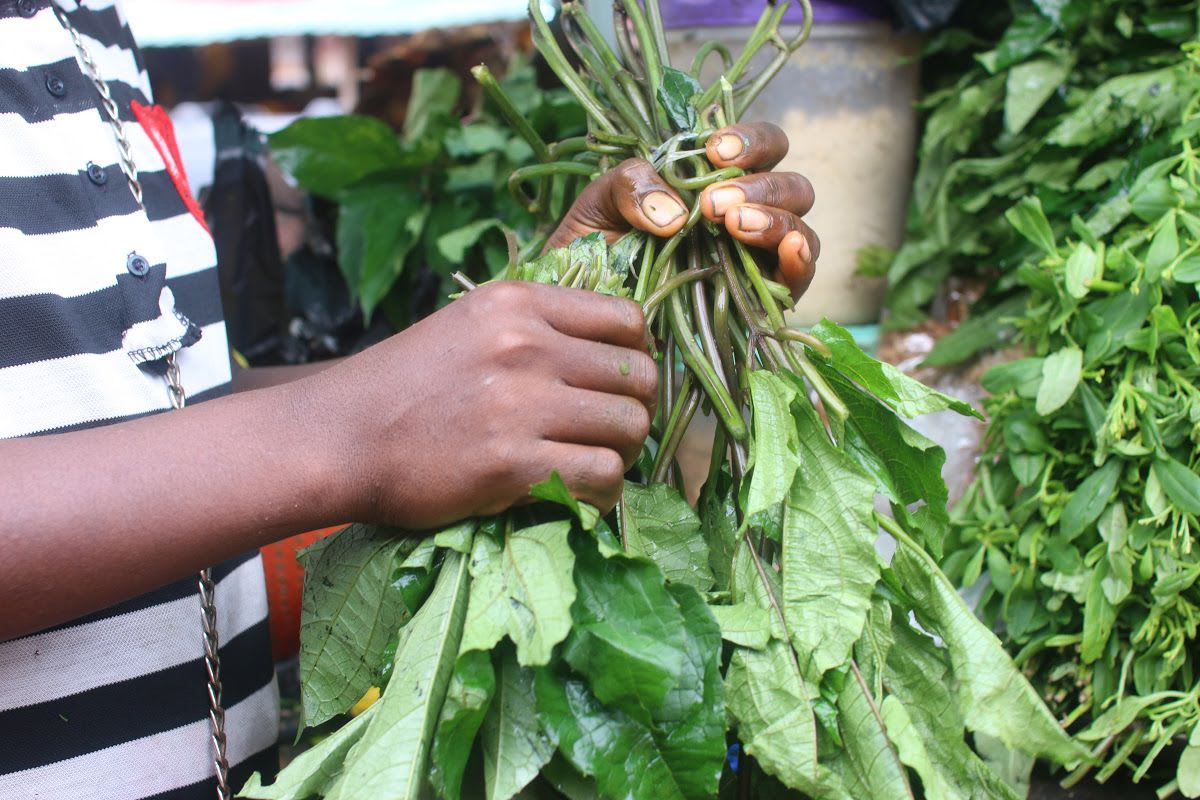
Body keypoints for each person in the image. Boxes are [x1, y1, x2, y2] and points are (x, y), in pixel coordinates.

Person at [0, 1, 821, 797]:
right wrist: (349, 433)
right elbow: (315, 437)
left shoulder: (91, 25)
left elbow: (158, 416)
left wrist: (537, 334)